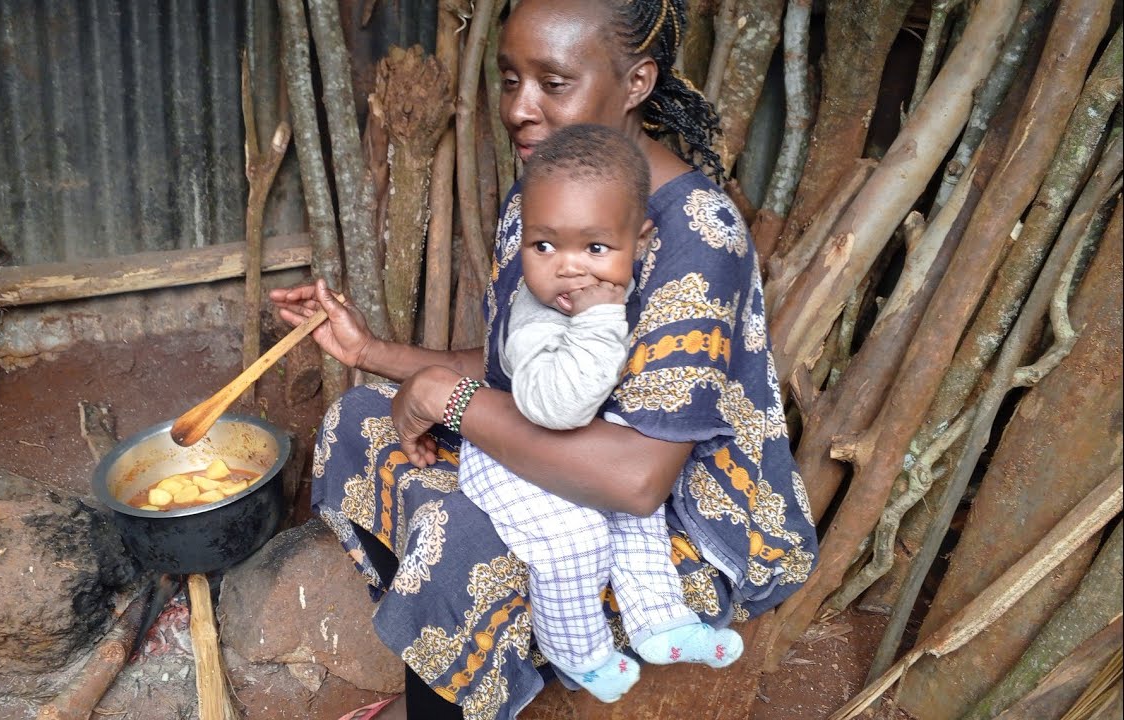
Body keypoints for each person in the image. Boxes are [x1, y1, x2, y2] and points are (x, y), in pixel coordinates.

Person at [270, 1, 818, 718]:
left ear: (636, 82)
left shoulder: (696, 233)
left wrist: (449, 399)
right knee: (359, 419)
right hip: (562, 449)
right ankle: (456, 668)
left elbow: (636, 482)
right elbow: (517, 371)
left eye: (552, 83)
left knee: (455, 539)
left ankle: (455, 691)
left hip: (676, 521)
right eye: (508, 79)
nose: (519, 110)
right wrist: (372, 352)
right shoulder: (548, 189)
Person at [456, 122, 743, 705]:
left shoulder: (641, 283)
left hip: (564, 455)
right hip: (506, 456)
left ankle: (659, 621)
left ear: (637, 240)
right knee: (577, 538)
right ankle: (577, 651)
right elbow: (557, 409)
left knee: (636, 519)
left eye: (594, 248)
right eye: (543, 246)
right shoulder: (537, 313)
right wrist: (599, 320)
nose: (567, 267)